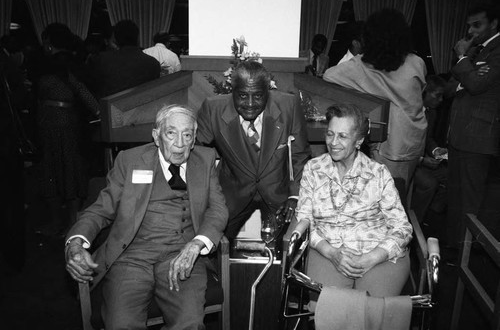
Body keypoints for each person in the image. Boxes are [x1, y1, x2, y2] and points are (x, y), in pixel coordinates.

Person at [64, 104, 228, 329]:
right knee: (121, 324)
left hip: (181, 256)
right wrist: (75, 242)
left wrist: (197, 244)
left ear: (194, 138)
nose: (180, 143)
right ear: (157, 136)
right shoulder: (129, 160)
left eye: (187, 134)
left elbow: (218, 209)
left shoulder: (205, 160)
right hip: (131, 258)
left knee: (188, 324)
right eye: (171, 133)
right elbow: (101, 209)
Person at [293, 103, 413, 301]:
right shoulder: (313, 169)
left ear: (359, 140)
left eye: (342, 136)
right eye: (330, 134)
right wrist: (331, 252)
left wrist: (372, 257)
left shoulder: (378, 173)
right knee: (329, 309)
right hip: (328, 251)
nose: (333, 142)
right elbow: (304, 219)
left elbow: (402, 227)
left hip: (378, 253)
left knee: (373, 310)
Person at [196, 60, 311, 239]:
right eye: (242, 96)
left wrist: (295, 196)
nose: (250, 104)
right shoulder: (213, 109)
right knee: (214, 247)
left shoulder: (289, 105)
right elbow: (197, 154)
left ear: (268, 93)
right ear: (232, 91)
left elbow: (299, 155)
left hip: (278, 193)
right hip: (232, 192)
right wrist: (209, 194)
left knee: (286, 249)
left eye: (258, 96)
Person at [323, 8, 427, 195]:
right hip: (415, 139)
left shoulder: (362, 66)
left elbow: (329, 76)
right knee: (403, 195)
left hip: (390, 144)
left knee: (384, 199)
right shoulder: (417, 62)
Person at [36, 23, 100, 236]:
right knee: (71, 168)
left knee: (52, 169)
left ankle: (58, 223)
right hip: (72, 122)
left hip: (51, 122)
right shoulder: (77, 63)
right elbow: (85, 94)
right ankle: (73, 221)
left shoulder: (47, 64)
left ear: (49, 42)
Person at [447, 3, 500, 248]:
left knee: (469, 204)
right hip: (459, 136)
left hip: (478, 138)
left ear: (494, 24)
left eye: (476, 25)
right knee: (455, 199)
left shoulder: (496, 50)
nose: (470, 30)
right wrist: (465, 72)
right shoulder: (477, 51)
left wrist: (461, 58)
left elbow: (478, 85)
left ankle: (464, 260)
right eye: (469, 25)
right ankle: (451, 251)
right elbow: (451, 88)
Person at [86, 19, 160, 99]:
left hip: (109, 109)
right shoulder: (153, 63)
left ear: (116, 39)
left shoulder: (100, 60)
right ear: (138, 38)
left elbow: (91, 91)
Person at [411, 75, 449, 222]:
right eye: (438, 96)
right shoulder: (410, 110)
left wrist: (435, 151)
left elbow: (428, 138)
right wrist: (421, 160)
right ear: (424, 92)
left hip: (423, 160)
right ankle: (413, 223)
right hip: (408, 160)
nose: (440, 101)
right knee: (429, 184)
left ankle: (430, 213)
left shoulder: (432, 112)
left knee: (451, 174)